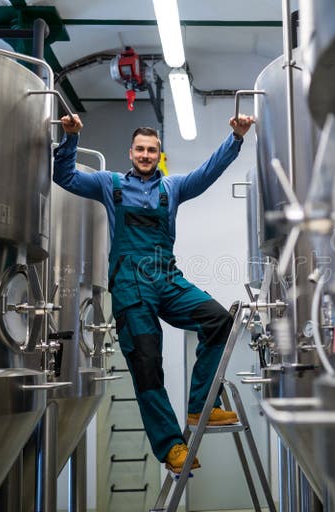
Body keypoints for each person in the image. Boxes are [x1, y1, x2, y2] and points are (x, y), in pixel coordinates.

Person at [53, 113, 256, 474]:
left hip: (166, 278)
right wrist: (70, 138)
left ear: (159, 154)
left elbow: (207, 173)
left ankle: (201, 406)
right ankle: (171, 445)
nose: (145, 155)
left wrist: (235, 139)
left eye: (151, 150)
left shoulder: (171, 188)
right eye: (140, 149)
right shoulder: (110, 184)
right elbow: (64, 176)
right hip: (130, 285)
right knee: (147, 364)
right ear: (130, 152)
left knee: (217, 320)